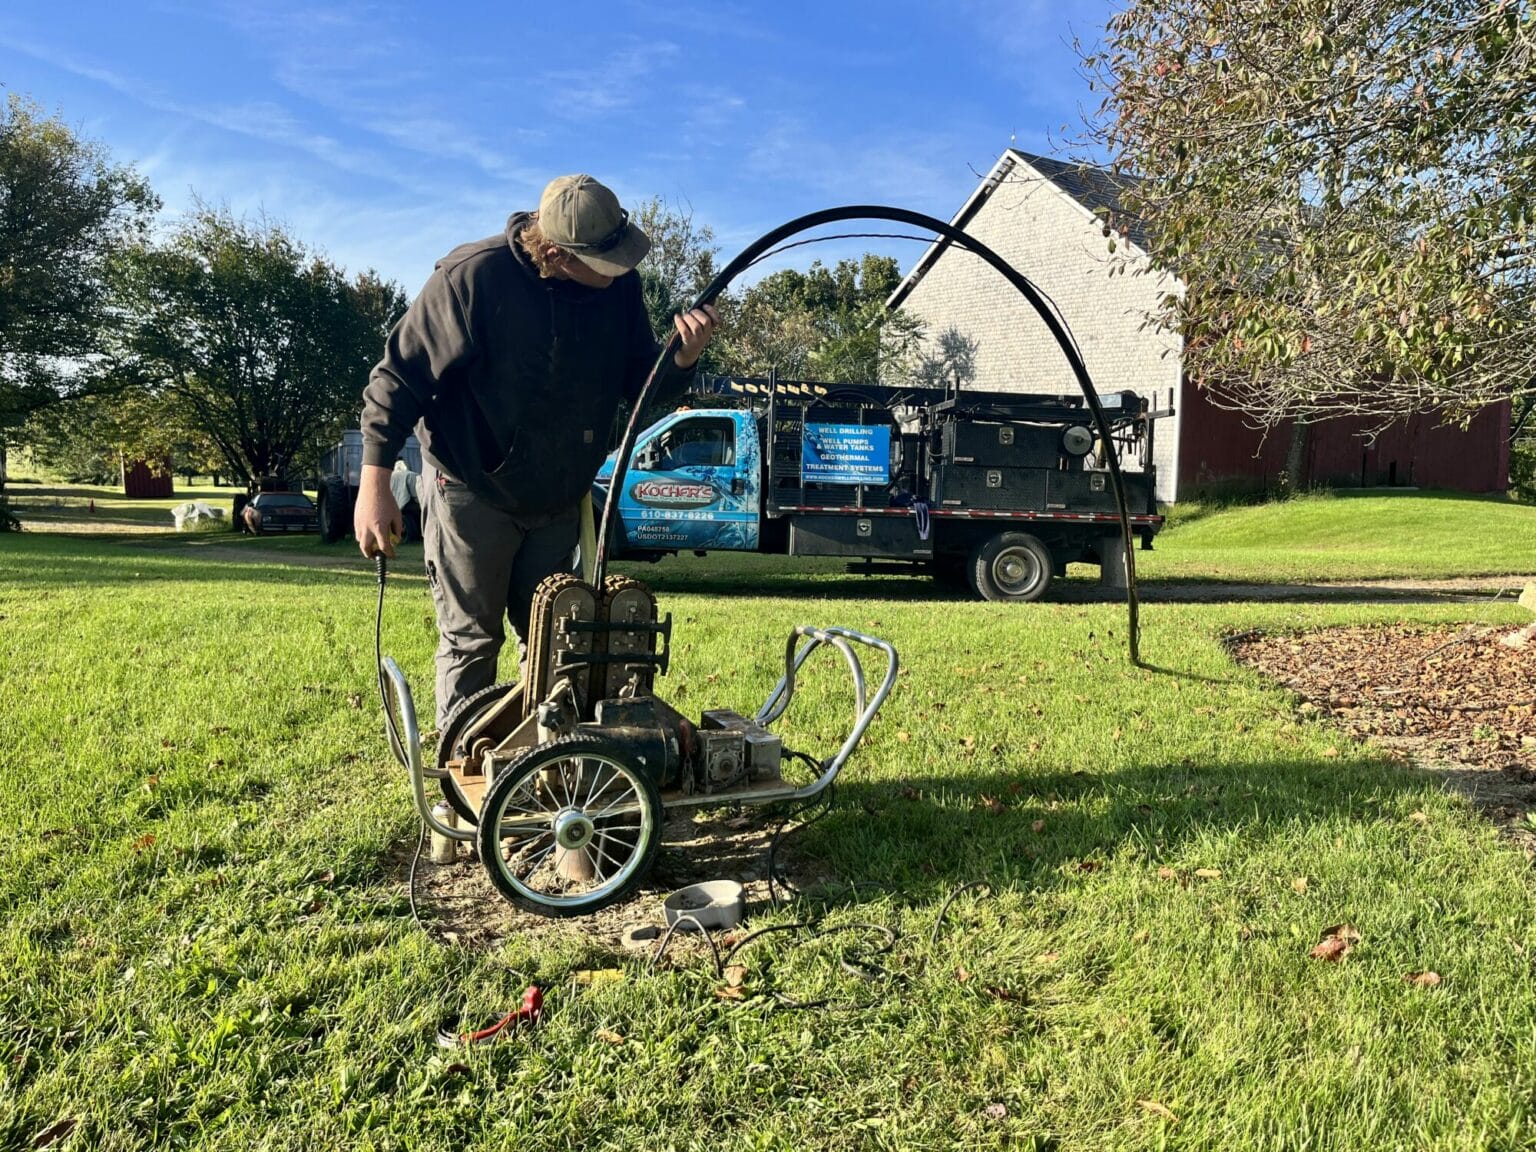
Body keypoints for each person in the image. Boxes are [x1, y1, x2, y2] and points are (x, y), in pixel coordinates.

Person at [354, 174, 719, 727]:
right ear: (556, 253)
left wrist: (683, 358)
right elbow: (395, 382)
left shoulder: (619, 287)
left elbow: (640, 385)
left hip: (557, 499)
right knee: (472, 640)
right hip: (470, 489)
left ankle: (546, 768)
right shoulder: (472, 278)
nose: (622, 268)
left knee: (558, 639)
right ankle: (465, 778)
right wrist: (374, 488)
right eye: (608, 260)